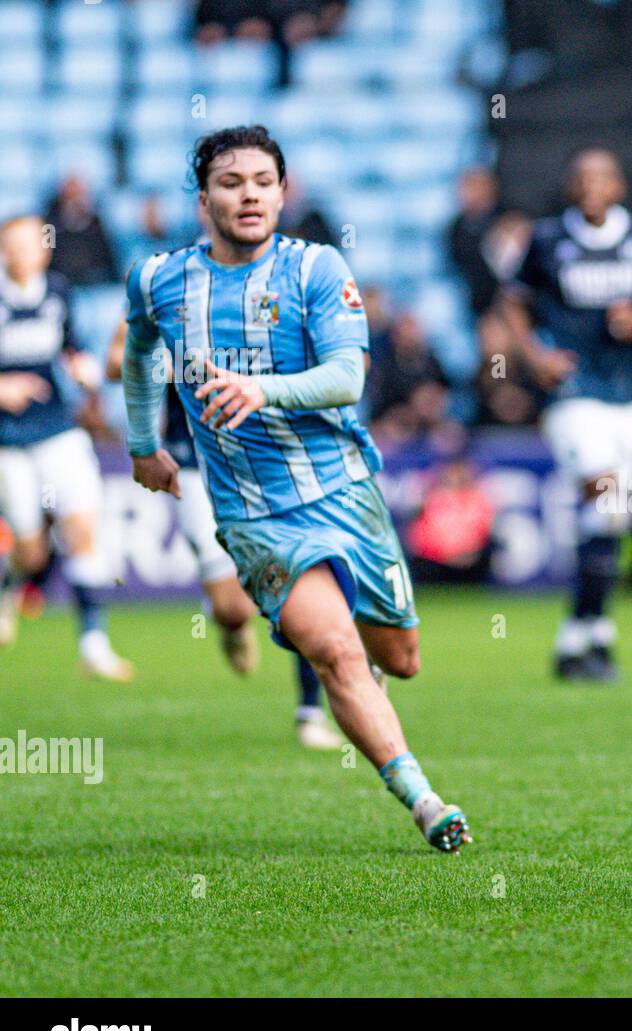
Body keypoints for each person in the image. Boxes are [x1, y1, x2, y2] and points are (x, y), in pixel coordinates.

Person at [120, 125, 469, 851]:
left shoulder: (315, 269)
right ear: (203, 196)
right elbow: (139, 352)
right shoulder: (158, 279)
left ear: (283, 192)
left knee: (399, 661)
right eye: (229, 182)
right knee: (333, 650)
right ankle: (423, 799)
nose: (248, 194)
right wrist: (143, 445)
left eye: (262, 181)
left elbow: (347, 376)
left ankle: (363, 673)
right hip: (252, 513)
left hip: (343, 492)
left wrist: (260, 389)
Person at [498, 147, 632, 681]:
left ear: (619, 186)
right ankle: (590, 639)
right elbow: (513, 301)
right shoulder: (546, 239)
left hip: (627, 398)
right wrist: (536, 356)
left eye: (602, 177)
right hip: (571, 394)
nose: (591, 186)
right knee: (605, 491)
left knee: (609, 518)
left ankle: (584, 639)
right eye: (582, 177)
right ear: (570, 186)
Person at [105, 316, 343, 749]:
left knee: (302, 579)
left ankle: (310, 711)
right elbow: (117, 361)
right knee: (234, 609)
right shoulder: (170, 292)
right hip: (197, 462)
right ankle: (230, 624)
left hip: (271, 461)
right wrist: (171, 365)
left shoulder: (276, 294)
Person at [0, 215, 134, 679]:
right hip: (9, 440)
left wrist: (81, 367)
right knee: (31, 549)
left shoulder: (56, 292)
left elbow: (70, 346)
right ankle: (9, 584)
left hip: (58, 428)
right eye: (14, 244)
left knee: (81, 526)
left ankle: (93, 644)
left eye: (32, 243)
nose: (24, 252)